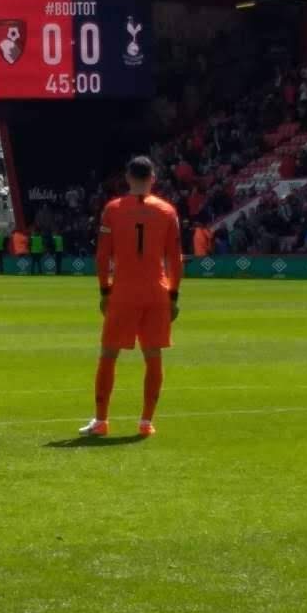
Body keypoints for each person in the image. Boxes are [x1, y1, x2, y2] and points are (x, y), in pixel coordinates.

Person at [79, 156, 182, 439]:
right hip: (157, 292)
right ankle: (146, 422)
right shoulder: (167, 211)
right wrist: (173, 294)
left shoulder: (113, 209)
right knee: (153, 355)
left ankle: (101, 421)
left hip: (124, 291)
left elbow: (102, 255)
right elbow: (175, 258)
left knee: (108, 354)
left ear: (127, 177)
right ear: (153, 178)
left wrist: (104, 290)